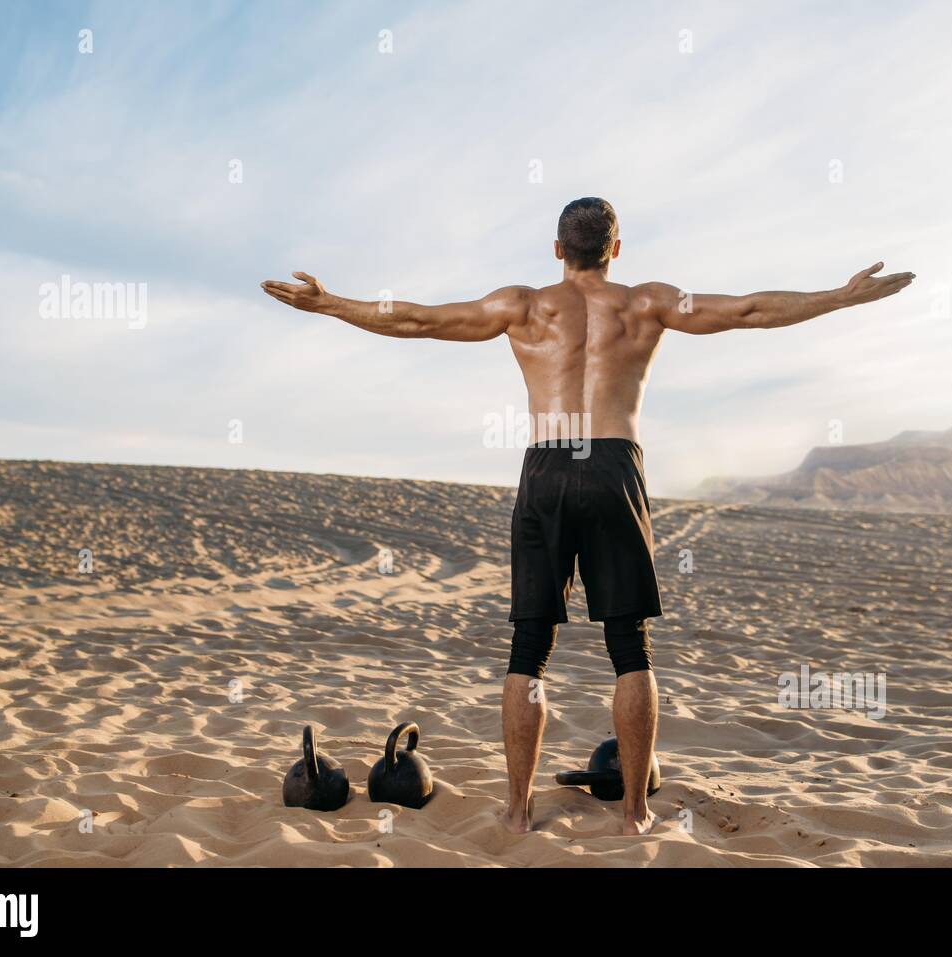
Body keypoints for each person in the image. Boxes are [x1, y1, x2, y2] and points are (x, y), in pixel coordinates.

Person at [262, 197, 914, 835]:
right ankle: (636, 811)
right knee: (629, 646)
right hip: (613, 468)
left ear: (557, 250)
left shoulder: (522, 305)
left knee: (529, 647)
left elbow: (420, 321)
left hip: (547, 467)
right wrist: (839, 295)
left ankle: (518, 812)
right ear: (616, 250)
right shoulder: (646, 302)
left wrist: (330, 303)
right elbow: (746, 309)